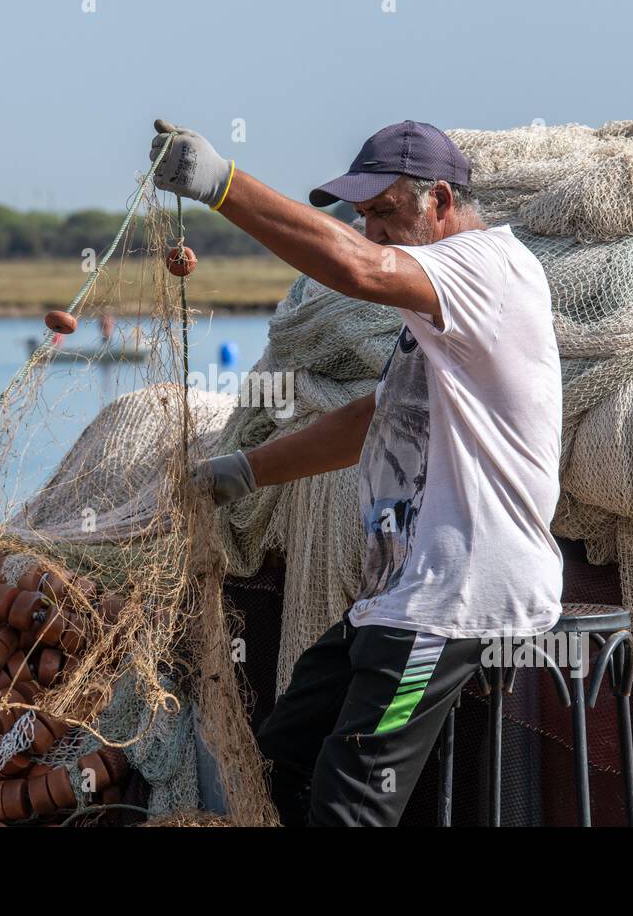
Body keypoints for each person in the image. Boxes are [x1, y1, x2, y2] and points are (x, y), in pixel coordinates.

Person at [150, 118, 564, 826]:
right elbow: (378, 418)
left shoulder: (485, 268)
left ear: (439, 201)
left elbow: (358, 269)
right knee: (283, 754)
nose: (372, 232)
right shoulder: (440, 315)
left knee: (352, 806)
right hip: (398, 600)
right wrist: (244, 470)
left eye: (385, 213)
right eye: (362, 215)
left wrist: (223, 187)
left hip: (453, 605)